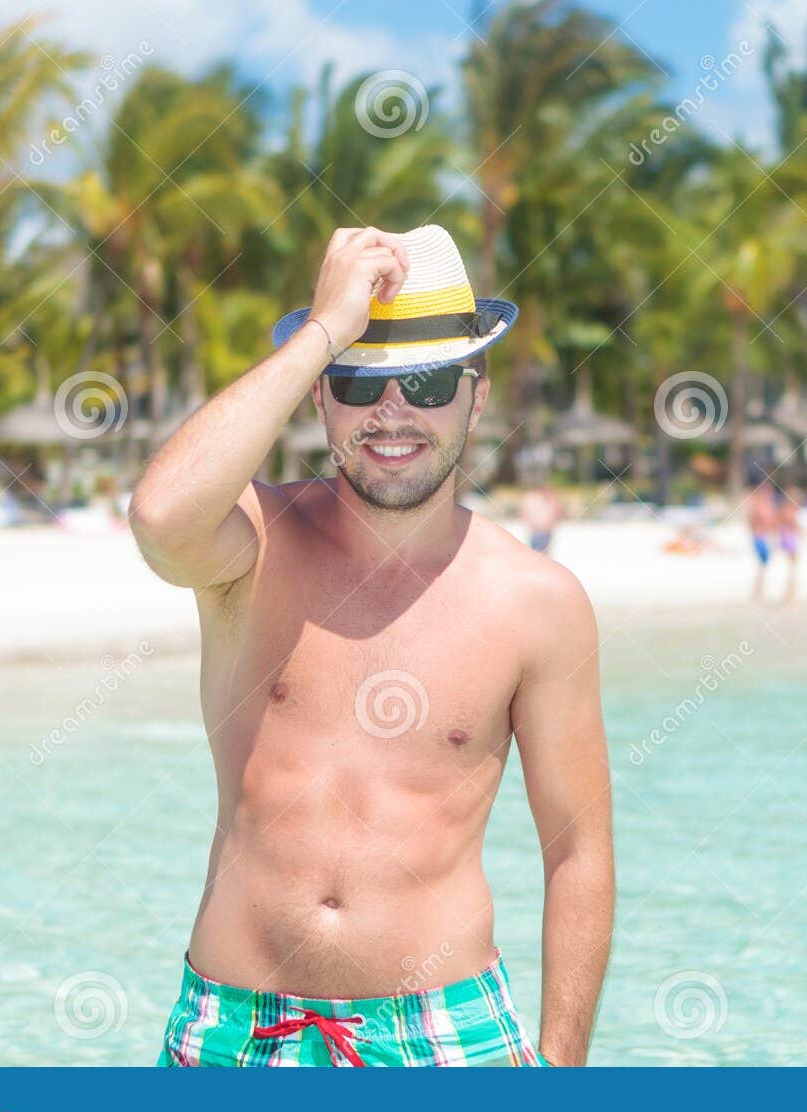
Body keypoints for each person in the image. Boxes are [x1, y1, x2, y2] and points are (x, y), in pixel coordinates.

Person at [129, 225, 614, 1067]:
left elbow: (577, 851)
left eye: (427, 383)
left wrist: (560, 1076)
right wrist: (322, 331)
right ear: (319, 398)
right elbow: (160, 517)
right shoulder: (256, 543)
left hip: (445, 1036)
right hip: (234, 1032)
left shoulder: (538, 602)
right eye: (359, 381)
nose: (394, 415)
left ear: (477, 393)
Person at [745, 483, 777, 602]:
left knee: (763, 566)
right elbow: (752, 522)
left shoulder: (767, 507)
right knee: (762, 565)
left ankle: (759, 593)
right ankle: (757, 593)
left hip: (765, 538)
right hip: (759, 538)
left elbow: (773, 524)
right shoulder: (759, 507)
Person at [519, 481, 565, 554]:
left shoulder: (547, 500)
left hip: (543, 531)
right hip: (539, 531)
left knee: (538, 553)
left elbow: (558, 513)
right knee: (538, 553)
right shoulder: (537, 500)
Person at [777, 486, 802, 604]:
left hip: (787, 537)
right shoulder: (789, 509)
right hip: (788, 538)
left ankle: (789, 595)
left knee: (792, 568)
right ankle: (789, 596)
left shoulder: (785, 508)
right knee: (793, 568)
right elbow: (791, 522)